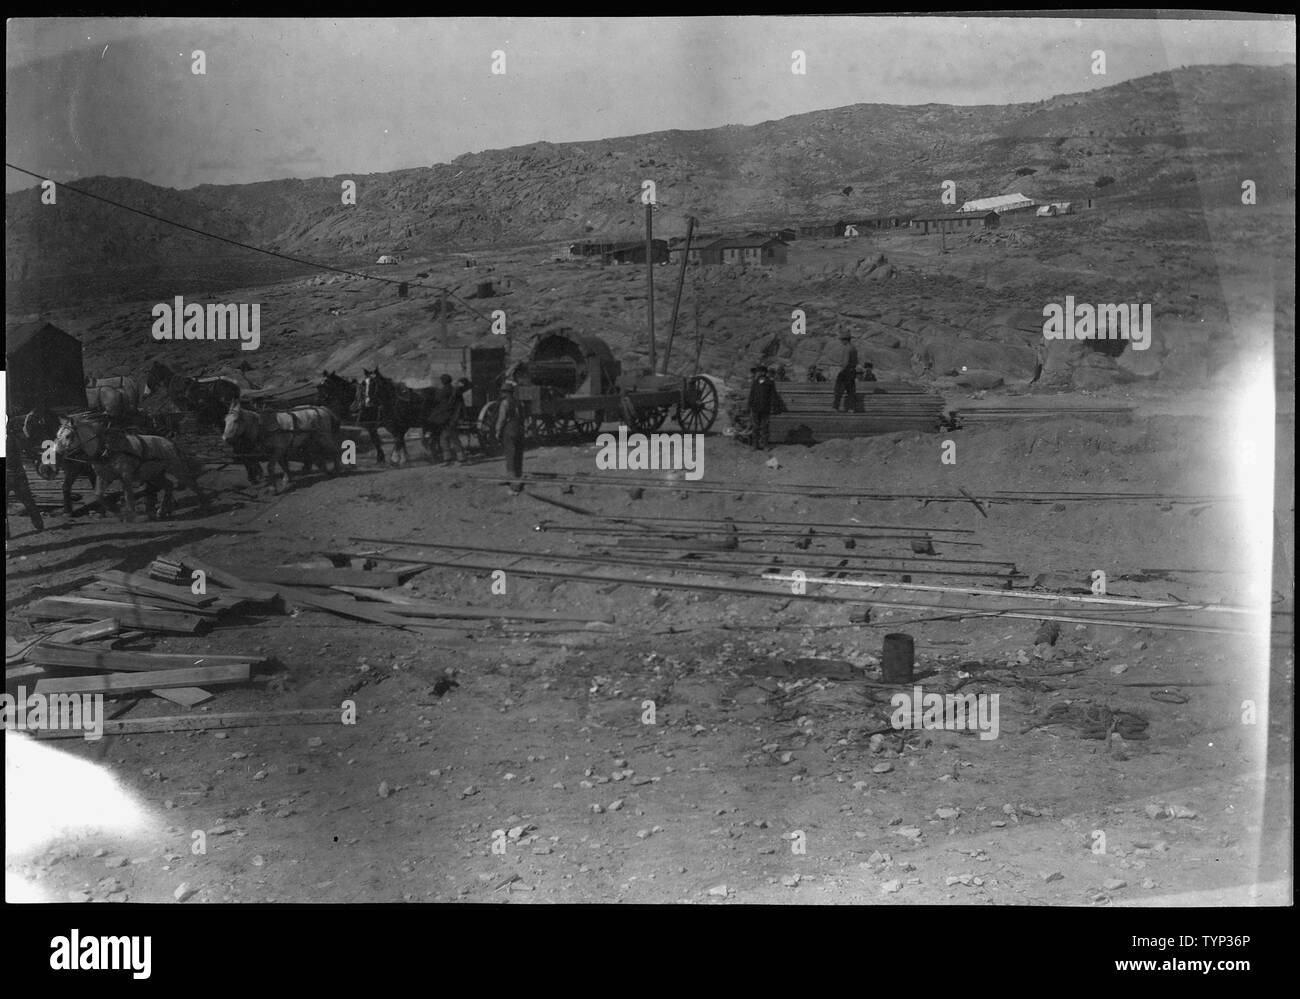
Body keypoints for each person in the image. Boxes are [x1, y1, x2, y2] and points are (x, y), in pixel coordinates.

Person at [496, 381, 525, 492]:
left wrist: (498, 431)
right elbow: (523, 417)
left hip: (509, 429)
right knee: (518, 453)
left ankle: (512, 480)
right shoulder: (519, 402)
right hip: (519, 429)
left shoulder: (504, 403)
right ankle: (518, 475)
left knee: (510, 453)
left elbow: (502, 418)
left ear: (505, 392)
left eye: (503, 392)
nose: (502, 394)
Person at [746, 364, 783, 451]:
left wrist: (774, 407)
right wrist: (749, 406)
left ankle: (765, 445)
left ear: (763, 372)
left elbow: (773, 395)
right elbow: (751, 395)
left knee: (764, 427)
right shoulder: (755, 383)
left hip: (765, 408)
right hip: (755, 408)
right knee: (755, 427)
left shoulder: (770, 383)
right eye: (757, 372)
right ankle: (755, 445)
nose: (757, 373)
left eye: (759, 372)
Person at [432, 374, 466, 465]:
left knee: (451, 438)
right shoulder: (455, 390)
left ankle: (460, 459)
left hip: (448, 418)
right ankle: (449, 459)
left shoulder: (445, 391)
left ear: (443, 381)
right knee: (445, 437)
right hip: (451, 418)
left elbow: (437, 399)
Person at [832, 332, 859, 412]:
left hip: (846, 371)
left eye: (842, 340)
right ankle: (851, 408)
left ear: (845, 340)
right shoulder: (854, 348)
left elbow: (845, 362)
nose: (841, 342)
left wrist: (841, 370)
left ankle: (835, 407)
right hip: (852, 371)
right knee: (851, 391)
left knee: (838, 390)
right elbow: (856, 361)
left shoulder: (847, 348)